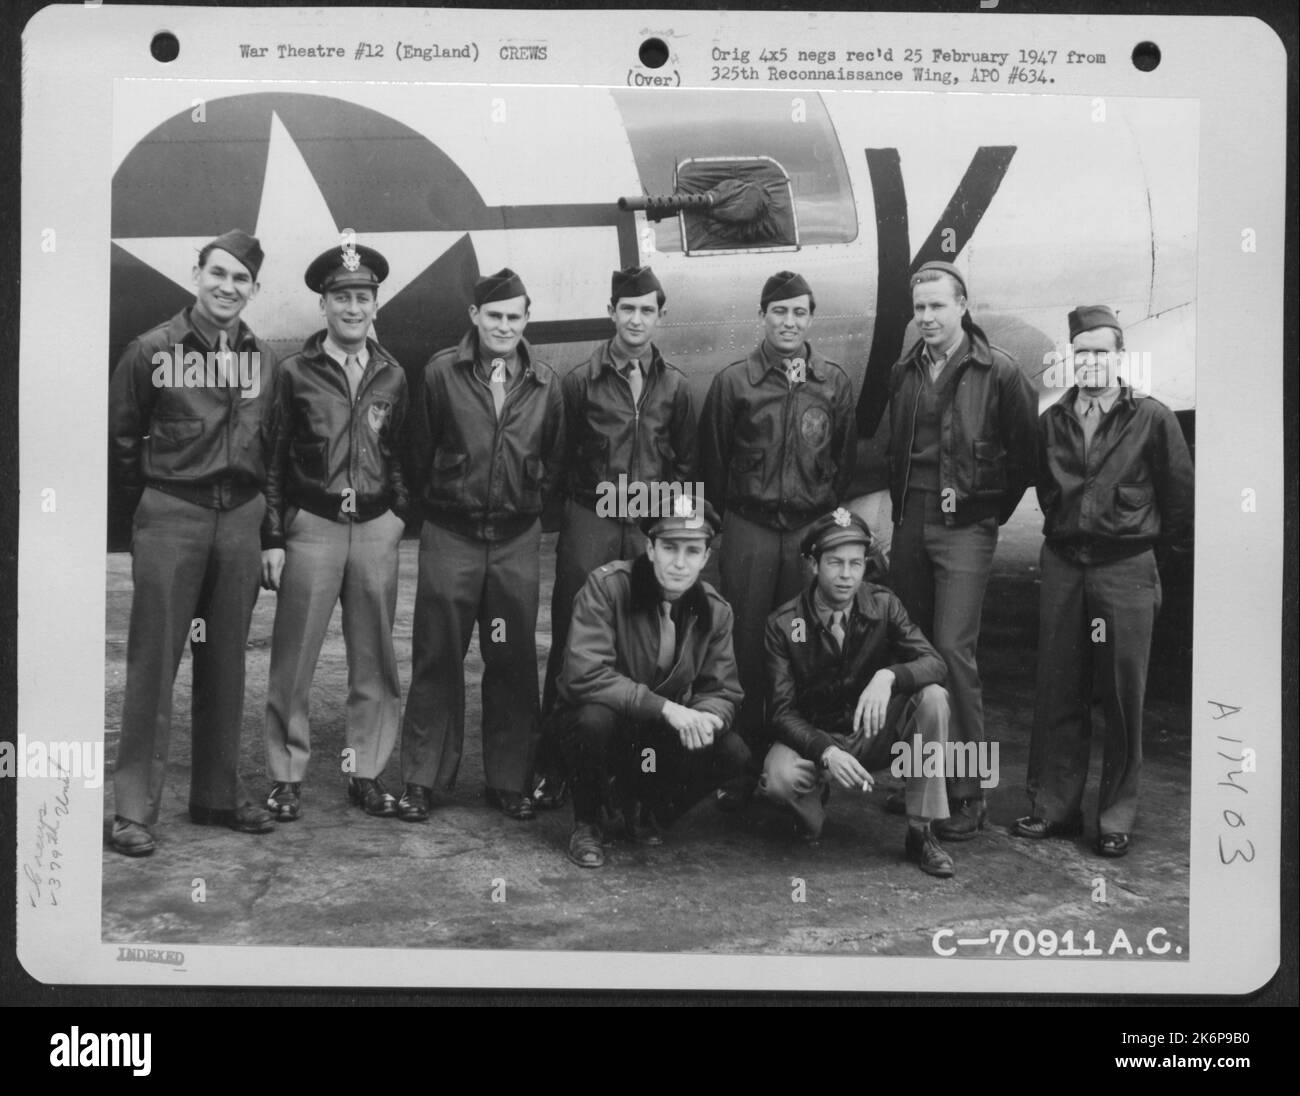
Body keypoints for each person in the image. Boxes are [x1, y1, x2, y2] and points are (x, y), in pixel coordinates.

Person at [108, 228, 278, 856]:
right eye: (219, 273)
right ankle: (132, 811)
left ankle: (216, 795)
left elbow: (272, 447)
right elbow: (122, 443)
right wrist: (146, 517)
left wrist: (269, 531)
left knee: (227, 660)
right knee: (153, 664)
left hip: (239, 517)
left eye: (241, 280)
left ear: (254, 289)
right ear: (196, 274)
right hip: (172, 513)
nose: (228, 287)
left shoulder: (263, 359)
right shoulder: (151, 349)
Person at [1014, 305, 1193, 857]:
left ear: (1120, 357)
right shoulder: (1053, 421)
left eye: (1101, 352)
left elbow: (1180, 499)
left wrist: (1143, 556)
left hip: (1125, 567)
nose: (1091, 361)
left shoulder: (1152, 418)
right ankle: (1054, 808)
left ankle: (1116, 815)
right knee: (1059, 687)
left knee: (1122, 695)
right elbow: (1045, 486)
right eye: (1082, 352)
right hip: (1066, 564)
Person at [874, 260, 1037, 841]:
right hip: (912, 516)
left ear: (963, 306)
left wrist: (982, 511)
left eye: (938, 306)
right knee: (911, 645)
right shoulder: (905, 371)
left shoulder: (1002, 373)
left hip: (966, 525)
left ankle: (969, 793)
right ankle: (919, 782)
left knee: (953, 651)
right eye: (919, 309)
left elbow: (1024, 459)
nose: (927, 318)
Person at [399, 268, 565, 822]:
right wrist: (442, 504)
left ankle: (509, 779)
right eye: (493, 316)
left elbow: (556, 458)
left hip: (516, 539)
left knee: (514, 658)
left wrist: (530, 500)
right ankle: (423, 778)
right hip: (453, 535)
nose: (503, 326)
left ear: (526, 320)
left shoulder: (544, 381)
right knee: (438, 654)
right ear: (474, 317)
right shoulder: (442, 373)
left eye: (513, 317)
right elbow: (416, 449)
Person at [534, 265, 698, 809]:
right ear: (611, 312)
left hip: (648, 525)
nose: (635, 319)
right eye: (626, 309)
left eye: (646, 309)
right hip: (592, 519)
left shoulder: (674, 385)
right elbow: (558, 461)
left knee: (643, 643)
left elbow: (683, 465)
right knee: (571, 640)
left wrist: (664, 529)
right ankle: (553, 764)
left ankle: (626, 768)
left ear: (659, 315)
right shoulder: (580, 381)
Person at [259, 241, 409, 822]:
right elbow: (272, 460)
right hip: (313, 527)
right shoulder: (295, 373)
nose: (353, 308)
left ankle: (364, 771)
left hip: (374, 527)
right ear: (322, 304)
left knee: (374, 658)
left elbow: (401, 452)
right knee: (293, 657)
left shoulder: (393, 374)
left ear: (376, 304)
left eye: (363, 297)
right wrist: (274, 536)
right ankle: (286, 776)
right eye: (342, 297)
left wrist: (398, 512)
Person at [698, 271, 855, 789]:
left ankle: (797, 768)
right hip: (749, 529)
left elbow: (843, 463)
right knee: (742, 647)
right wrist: (727, 530)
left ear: (812, 318)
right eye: (779, 312)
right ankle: (739, 769)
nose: (789, 322)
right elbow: (712, 464)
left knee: (801, 647)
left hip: (808, 534)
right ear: (763, 316)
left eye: (799, 313)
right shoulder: (734, 382)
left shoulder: (832, 382)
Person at [554, 496, 749, 868]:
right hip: (606, 719)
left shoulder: (715, 610)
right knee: (590, 721)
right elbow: (584, 674)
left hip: (655, 733)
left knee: (732, 751)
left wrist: (707, 717)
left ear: (706, 557)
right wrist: (666, 708)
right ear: (649, 548)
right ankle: (587, 822)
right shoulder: (607, 587)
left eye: (693, 551)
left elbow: (722, 690)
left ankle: (642, 804)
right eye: (669, 548)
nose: (679, 563)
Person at [760, 508, 956, 877]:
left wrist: (888, 676)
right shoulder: (784, 624)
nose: (847, 575)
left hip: (872, 732)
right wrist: (825, 752)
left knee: (933, 698)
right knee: (779, 780)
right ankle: (812, 805)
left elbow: (935, 663)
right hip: (816, 738)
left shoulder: (883, 604)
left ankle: (921, 831)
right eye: (835, 563)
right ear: (813, 565)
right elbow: (781, 712)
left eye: (856, 563)